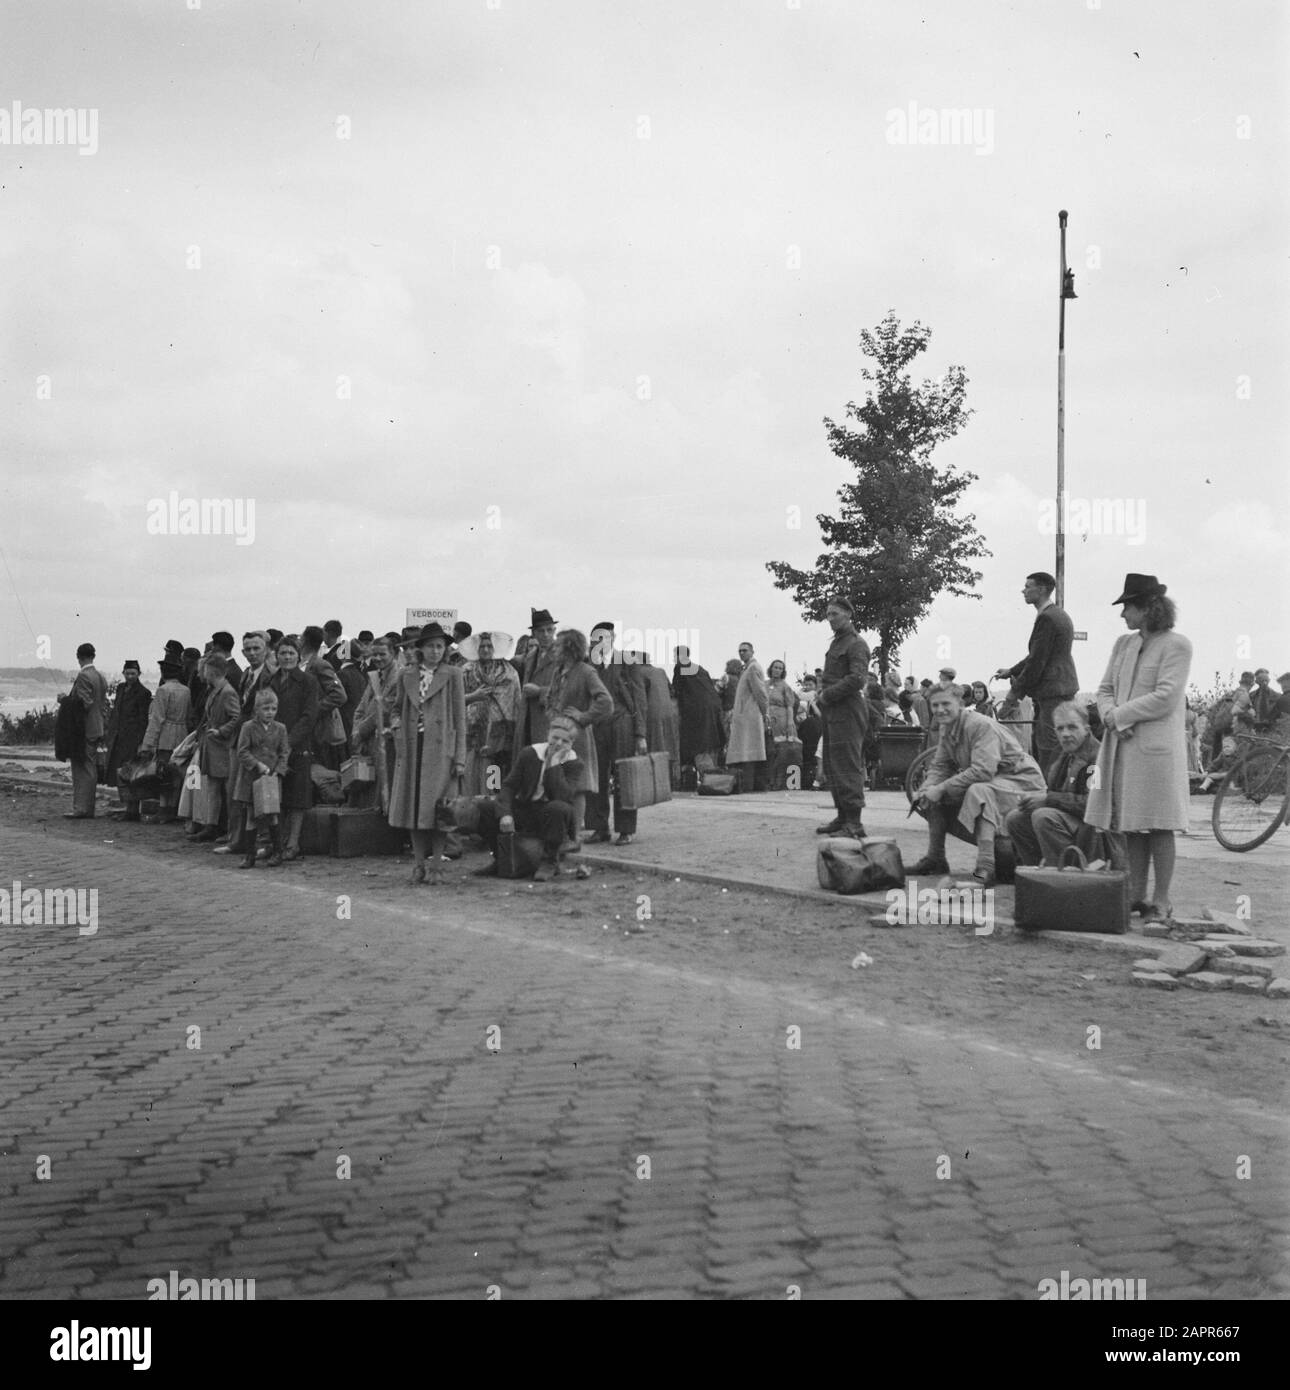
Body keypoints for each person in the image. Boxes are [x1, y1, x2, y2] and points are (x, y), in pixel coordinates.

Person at [1085, 574, 1192, 921]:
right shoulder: (1123, 644)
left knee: (1159, 824)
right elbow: (1103, 689)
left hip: (1156, 750)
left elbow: (1166, 697)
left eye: (1128, 606)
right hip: (1122, 747)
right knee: (1131, 823)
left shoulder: (1177, 645)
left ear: (1148, 608)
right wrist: (1109, 715)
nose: (1123, 615)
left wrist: (1119, 717)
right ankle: (1135, 895)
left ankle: (1162, 900)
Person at [909, 683, 1046, 887]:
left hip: (1022, 781)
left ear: (961, 704)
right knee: (933, 794)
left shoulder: (979, 725)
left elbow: (983, 770)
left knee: (979, 790)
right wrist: (927, 789)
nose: (939, 710)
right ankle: (935, 858)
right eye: (935, 705)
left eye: (946, 704)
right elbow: (940, 766)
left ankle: (986, 868)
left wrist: (941, 788)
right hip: (995, 780)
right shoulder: (948, 727)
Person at [389, 622, 467, 885]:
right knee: (413, 809)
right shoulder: (405, 675)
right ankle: (418, 864)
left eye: (440, 646)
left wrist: (460, 758)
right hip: (412, 749)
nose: (435, 651)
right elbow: (396, 708)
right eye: (431, 646)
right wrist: (396, 723)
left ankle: (436, 865)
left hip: (441, 751)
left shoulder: (453, 674)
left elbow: (460, 718)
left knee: (440, 812)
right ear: (420, 649)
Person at [474, 714, 582, 881]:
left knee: (558, 808)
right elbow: (509, 786)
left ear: (572, 744)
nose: (559, 744)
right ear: (548, 735)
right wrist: (505, 814)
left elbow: (563, 796)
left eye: (565, 741)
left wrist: (554, 764)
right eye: (555, 738)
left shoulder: (574, 763)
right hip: (527, 807)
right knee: (484, 807)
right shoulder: (530, 753)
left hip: (553, 816)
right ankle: (501, 858)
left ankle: (550, 862)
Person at [1005, 701, 1113, 866]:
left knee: (1044, 817)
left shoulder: (1096, 758)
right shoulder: (1063, 755)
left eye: (1072, 727)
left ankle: (1070, 876)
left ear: (1086, 729)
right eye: (1060, 728)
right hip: (1071, 821)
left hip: (1094, 831)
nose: (1065, 734)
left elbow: (1093, 804)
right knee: (1015, 819)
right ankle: (1038, 875)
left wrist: (1048, 800)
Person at [993, 571, 1079, 774]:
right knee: (1052, 746)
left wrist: (1013, 696)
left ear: (1041, 590)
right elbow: (1036, 655)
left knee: (1049, 748)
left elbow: (1037, 662)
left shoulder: (1047, 618)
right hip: (1059, 689)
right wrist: (1011, 671)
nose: (1023, 590)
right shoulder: (1056, 614)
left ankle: (1048, 794)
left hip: (1052, 692)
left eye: (1028, 586)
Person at [542, 628, 613, 833]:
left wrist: (583, 717)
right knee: (557, 782)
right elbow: (551, 700)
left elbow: (606, 702)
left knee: (577, 786)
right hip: (557, 735)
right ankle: (563, 834)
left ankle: (574, 836)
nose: (554, 648)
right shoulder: (559, 671)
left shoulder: (586, 671)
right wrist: (553, 717)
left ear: (570, 649)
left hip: (577, 737)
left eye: (558, 645)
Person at [585, 624, 649, 845]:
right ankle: (599, 827)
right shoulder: (590, 665)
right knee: (596, 778)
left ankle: (625, 829)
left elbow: (639, 698)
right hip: (597, 726)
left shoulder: (627, 661)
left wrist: (640, 734)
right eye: (596, 638)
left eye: (605, 637)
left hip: (622, 723)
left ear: (613, 638)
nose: (600, 642)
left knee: (624, 778)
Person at [814, 599, 871, 838]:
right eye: (828, 614)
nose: (830, 619)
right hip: (835, 710)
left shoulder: (856, 644)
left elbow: (857, 678)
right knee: (833, 764)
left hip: (847, 709)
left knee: (847, 765)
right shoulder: (839, 642)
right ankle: (843, 816)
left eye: (835, 614)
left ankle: (854, 823)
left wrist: (827, 695)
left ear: (848, 614)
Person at [268, 635, 321, 861]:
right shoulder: (270, 681)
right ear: (277, 656)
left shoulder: (308, 682)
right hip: (272, 748)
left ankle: (293, 843)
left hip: (299, 747)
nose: (287, 657)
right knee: (275, 798)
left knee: (297, 798)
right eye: (283, 653)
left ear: (298, 656)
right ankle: (276, 843)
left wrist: (289, 742)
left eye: (291, 653)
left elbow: (309, 716)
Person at [232, 687, 290, 868]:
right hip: (252, 778)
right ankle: (249, 855)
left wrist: (278, 771)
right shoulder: (248, 727)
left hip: (272, 779)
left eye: (273, 709)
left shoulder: (281, 729)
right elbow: (242, 751)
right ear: (257, 710)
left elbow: (284, 752)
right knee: (251, 816)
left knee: (272, 815)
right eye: (266, 709)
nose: (270, 713)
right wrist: (257, 765)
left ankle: (278, 852)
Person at [460, 629, 522, 796]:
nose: (486, 650)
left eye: (489, 646)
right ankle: (470, 811)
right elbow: (456, 700)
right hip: (472, 731)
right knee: (471, 773)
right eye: (482, 646)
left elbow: (516, 703)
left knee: (493, 774)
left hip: (499, 735)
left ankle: (491, 809)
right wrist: (473, 697)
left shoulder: (509, 673)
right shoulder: (466, 670)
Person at [188, 652, 240, 844]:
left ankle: (219, 827)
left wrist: (221, 731)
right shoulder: (217, 690)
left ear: (212, 671)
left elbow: (236, 717)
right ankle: (212, 826)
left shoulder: (227, 692)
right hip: (214, 746)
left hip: (222, 747)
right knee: (214, 788)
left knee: (222, 789)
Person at [350, 632, 403, 807]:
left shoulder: (399, 677)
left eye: (382, 654)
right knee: (365, 789)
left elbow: (386, 710)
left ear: (393, 654)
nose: (378, 658)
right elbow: (361, 708)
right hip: (367, 742)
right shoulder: (375, 676)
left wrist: (360, 731)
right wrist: (356, 731)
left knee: (383, 790)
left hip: (386, 742)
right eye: (375, 654)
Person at [138, 656, 192, 822]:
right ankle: (173, 809)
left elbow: (157, 719)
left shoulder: (162, 690)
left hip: (166, 735)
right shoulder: (186, 690)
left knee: (162, 773)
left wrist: (147, 743)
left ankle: (163, 809)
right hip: (181, 733)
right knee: (176, 773)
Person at [64, 643, 109, 819]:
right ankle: (87, 807)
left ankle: (82, 808)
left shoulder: (83, 676)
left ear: (79, 657)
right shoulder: (100, 676)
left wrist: (64, 701)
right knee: (90, 767)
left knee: (82, 768)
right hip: (97, 726)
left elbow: (84, 703)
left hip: (84, 728)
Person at [105, 660, 152, 820]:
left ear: (139, 674)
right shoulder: (120, 688)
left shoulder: (143, 693)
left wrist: (141, 742)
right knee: (121, 773)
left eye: (133, 673)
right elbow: (116, 712)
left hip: (133, 739)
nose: (130, 676)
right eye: (128, 673)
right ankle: (127, 808)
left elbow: (143, 720)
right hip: (118, 738)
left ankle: (133, 810)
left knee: (133, 775)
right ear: (123, 673)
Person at [300, 625, 349, 771]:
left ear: (304, 641)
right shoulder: (301, 664)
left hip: (322, 734)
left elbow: (339, 695)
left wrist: (314, 709)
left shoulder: (319, 665)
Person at [671, 644, 725, 777]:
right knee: (709, 741)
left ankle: (709, 778)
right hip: (713, 707)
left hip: (696, 710)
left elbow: (676, 689)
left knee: (697, 742)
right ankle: (715, 775)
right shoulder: (700, 669)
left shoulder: (681, 666)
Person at [514, 608, 561, 753]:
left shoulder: (565, 655)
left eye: (549, 630)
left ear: (554, 630)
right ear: (534, 633)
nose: (546, 635)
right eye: (541, 631)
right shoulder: (530, 657)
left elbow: (572, 691)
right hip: (530, 723)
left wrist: (540, 691)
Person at [725, 642, 770, 792]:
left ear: (752, 651)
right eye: (740, 651)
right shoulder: (747, 669)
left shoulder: (753, 668)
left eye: (745, 650)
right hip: (745, 715)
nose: (742, 653)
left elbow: (761, 693)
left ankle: (751, 786)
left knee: (749, 750)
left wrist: (765, 713)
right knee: (747, 750)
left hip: (750, 715)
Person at [796, 674, 823, 789]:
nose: (807, 686)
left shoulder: (819, 698)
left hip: (816, 728)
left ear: (815, 686)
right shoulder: (802, 697)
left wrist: (813, 704)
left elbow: (820, 715)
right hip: (805, 727)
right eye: (806, 684)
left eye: (810, 684)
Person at [765, 660, 800, 740]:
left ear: (783, 672)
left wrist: (790, 722)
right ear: (771, 669)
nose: (777, 670)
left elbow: (790, 706)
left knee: (780, 744)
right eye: (776, 667)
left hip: (780, 719)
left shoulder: (785, 687)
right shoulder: (764, 684)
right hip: (765, 718)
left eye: (780, 668)